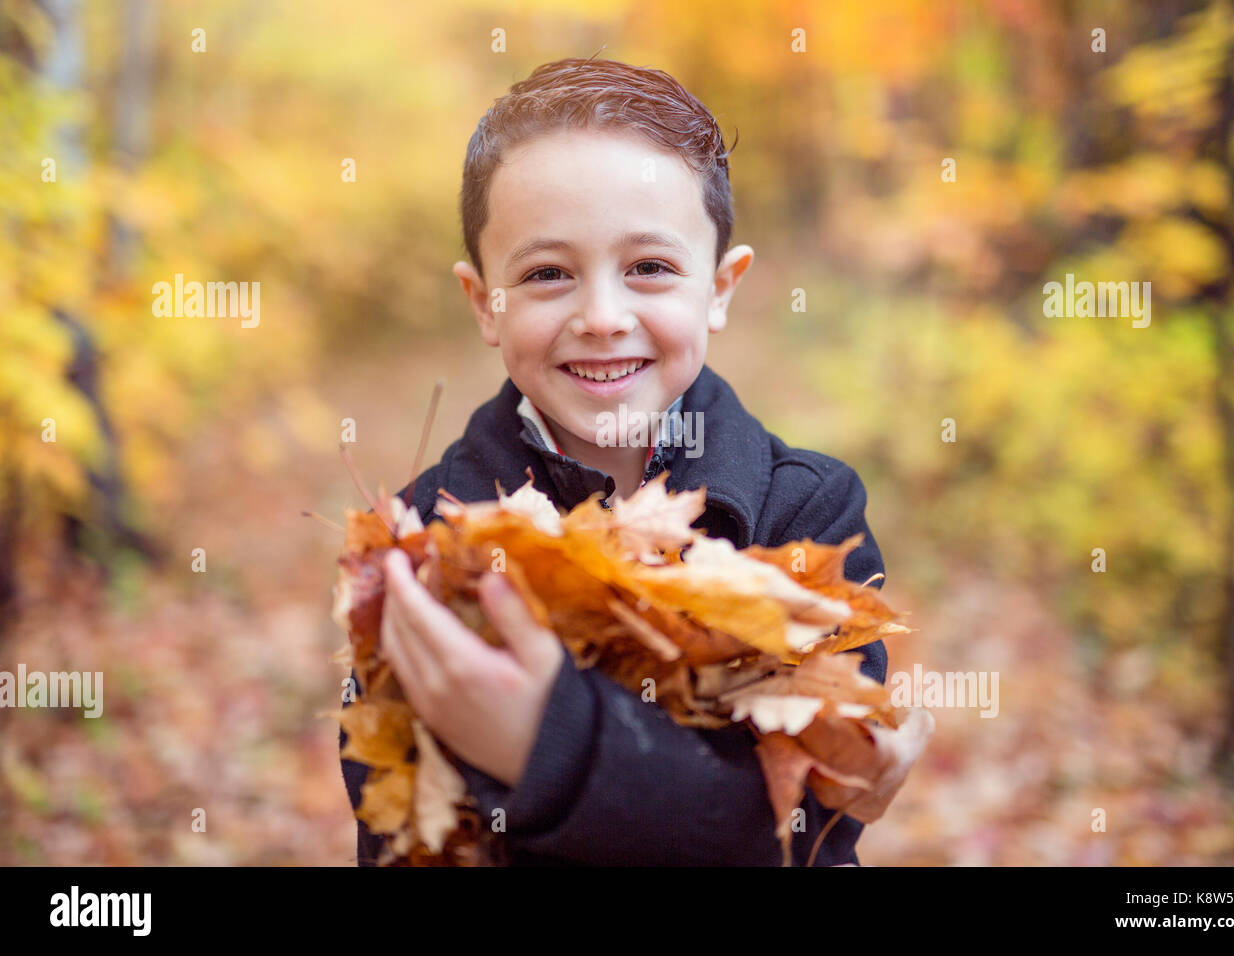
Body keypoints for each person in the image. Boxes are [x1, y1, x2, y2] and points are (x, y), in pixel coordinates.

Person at [340, 55, 896, 866]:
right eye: (547, 274)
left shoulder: (804, 517)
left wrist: (549, 746)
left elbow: (802, 827)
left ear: (720, 286)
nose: (602, 317)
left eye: (650, 268)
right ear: (482, 302)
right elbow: (400, 825)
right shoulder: (423, 542)